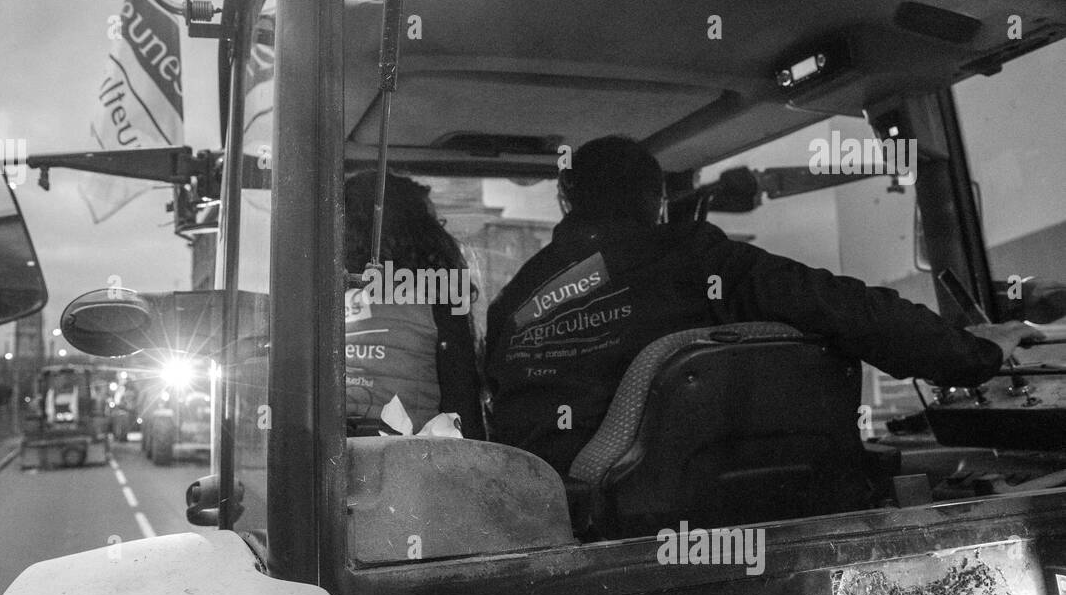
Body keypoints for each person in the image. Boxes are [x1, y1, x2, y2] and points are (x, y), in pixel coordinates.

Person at [484, 134, 1041, 475]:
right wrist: (971, 352)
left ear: (566, 196)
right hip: (652, 507)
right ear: (656, 202)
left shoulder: (513, 302)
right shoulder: (686, 256)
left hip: (549, 509)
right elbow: (833, 304)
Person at [344, 172, 486, 439]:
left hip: (330, 451)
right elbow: (461, 404)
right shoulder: (437, 296)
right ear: (421, 231)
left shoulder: (322, 299)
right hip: (406, 458)